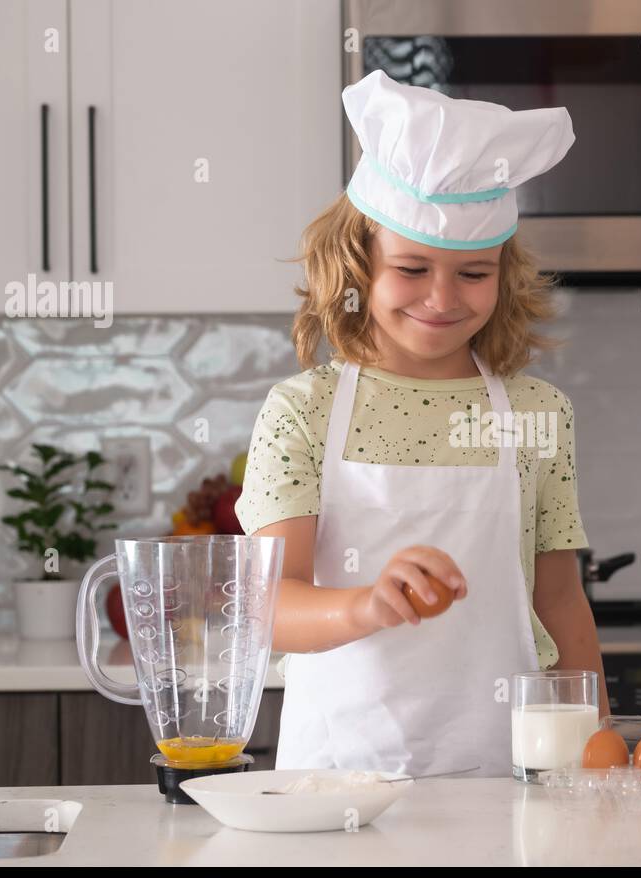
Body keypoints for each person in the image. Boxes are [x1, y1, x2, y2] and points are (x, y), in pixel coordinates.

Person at [234, 69, 607, 777]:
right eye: (411, 267)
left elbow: (559, 599)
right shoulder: (303, 411)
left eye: (473, 273)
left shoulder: (537, 413)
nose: (442, 298)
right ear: (358, 265)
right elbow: (270, 608)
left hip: (510, 776)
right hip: (338, 785)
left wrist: (598, 752)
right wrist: (368, 606)